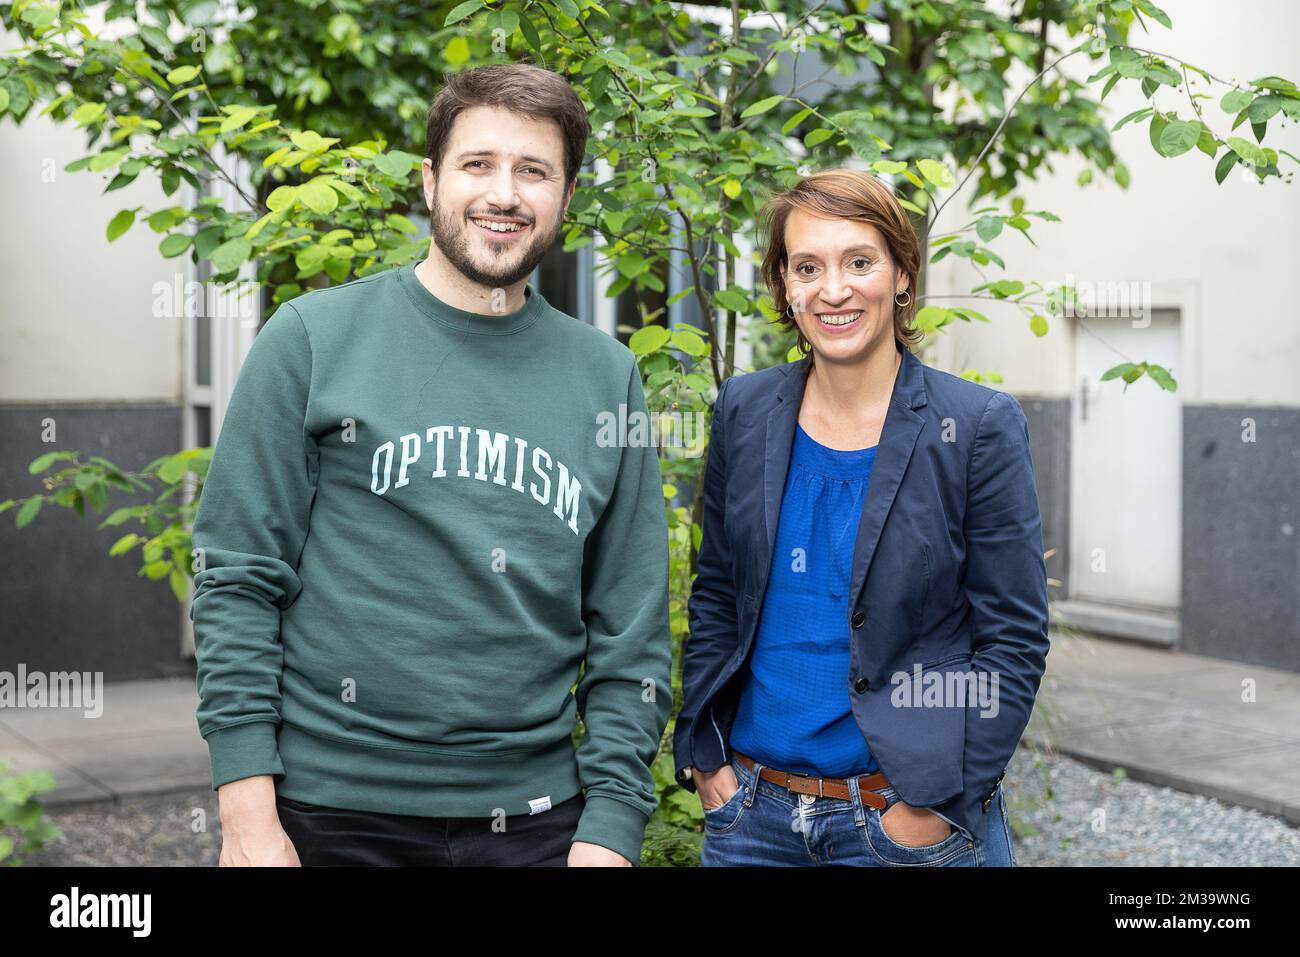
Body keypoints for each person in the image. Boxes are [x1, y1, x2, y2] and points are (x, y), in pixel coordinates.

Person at [191, 63, 672, 867]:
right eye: (478, 164)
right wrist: (246, 808)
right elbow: (236, 575)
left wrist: (612, 829)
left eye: (534, 170)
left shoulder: (604, 375)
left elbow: (632, 627)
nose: (504, 194)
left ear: (566, 195)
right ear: (429, 180)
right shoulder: (313, 339)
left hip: (538, 824)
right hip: (331, 814)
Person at [672, 168, 1049, 866]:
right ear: (784, 283)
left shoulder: (975, 427)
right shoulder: (743, 411)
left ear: (903, 274)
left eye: (859, 261)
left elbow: (1014, 640)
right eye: (807, 266)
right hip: (749, 818)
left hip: (901, 824)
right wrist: (706, 759)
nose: (834, 289)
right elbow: (719, 592)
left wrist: (940, 803)